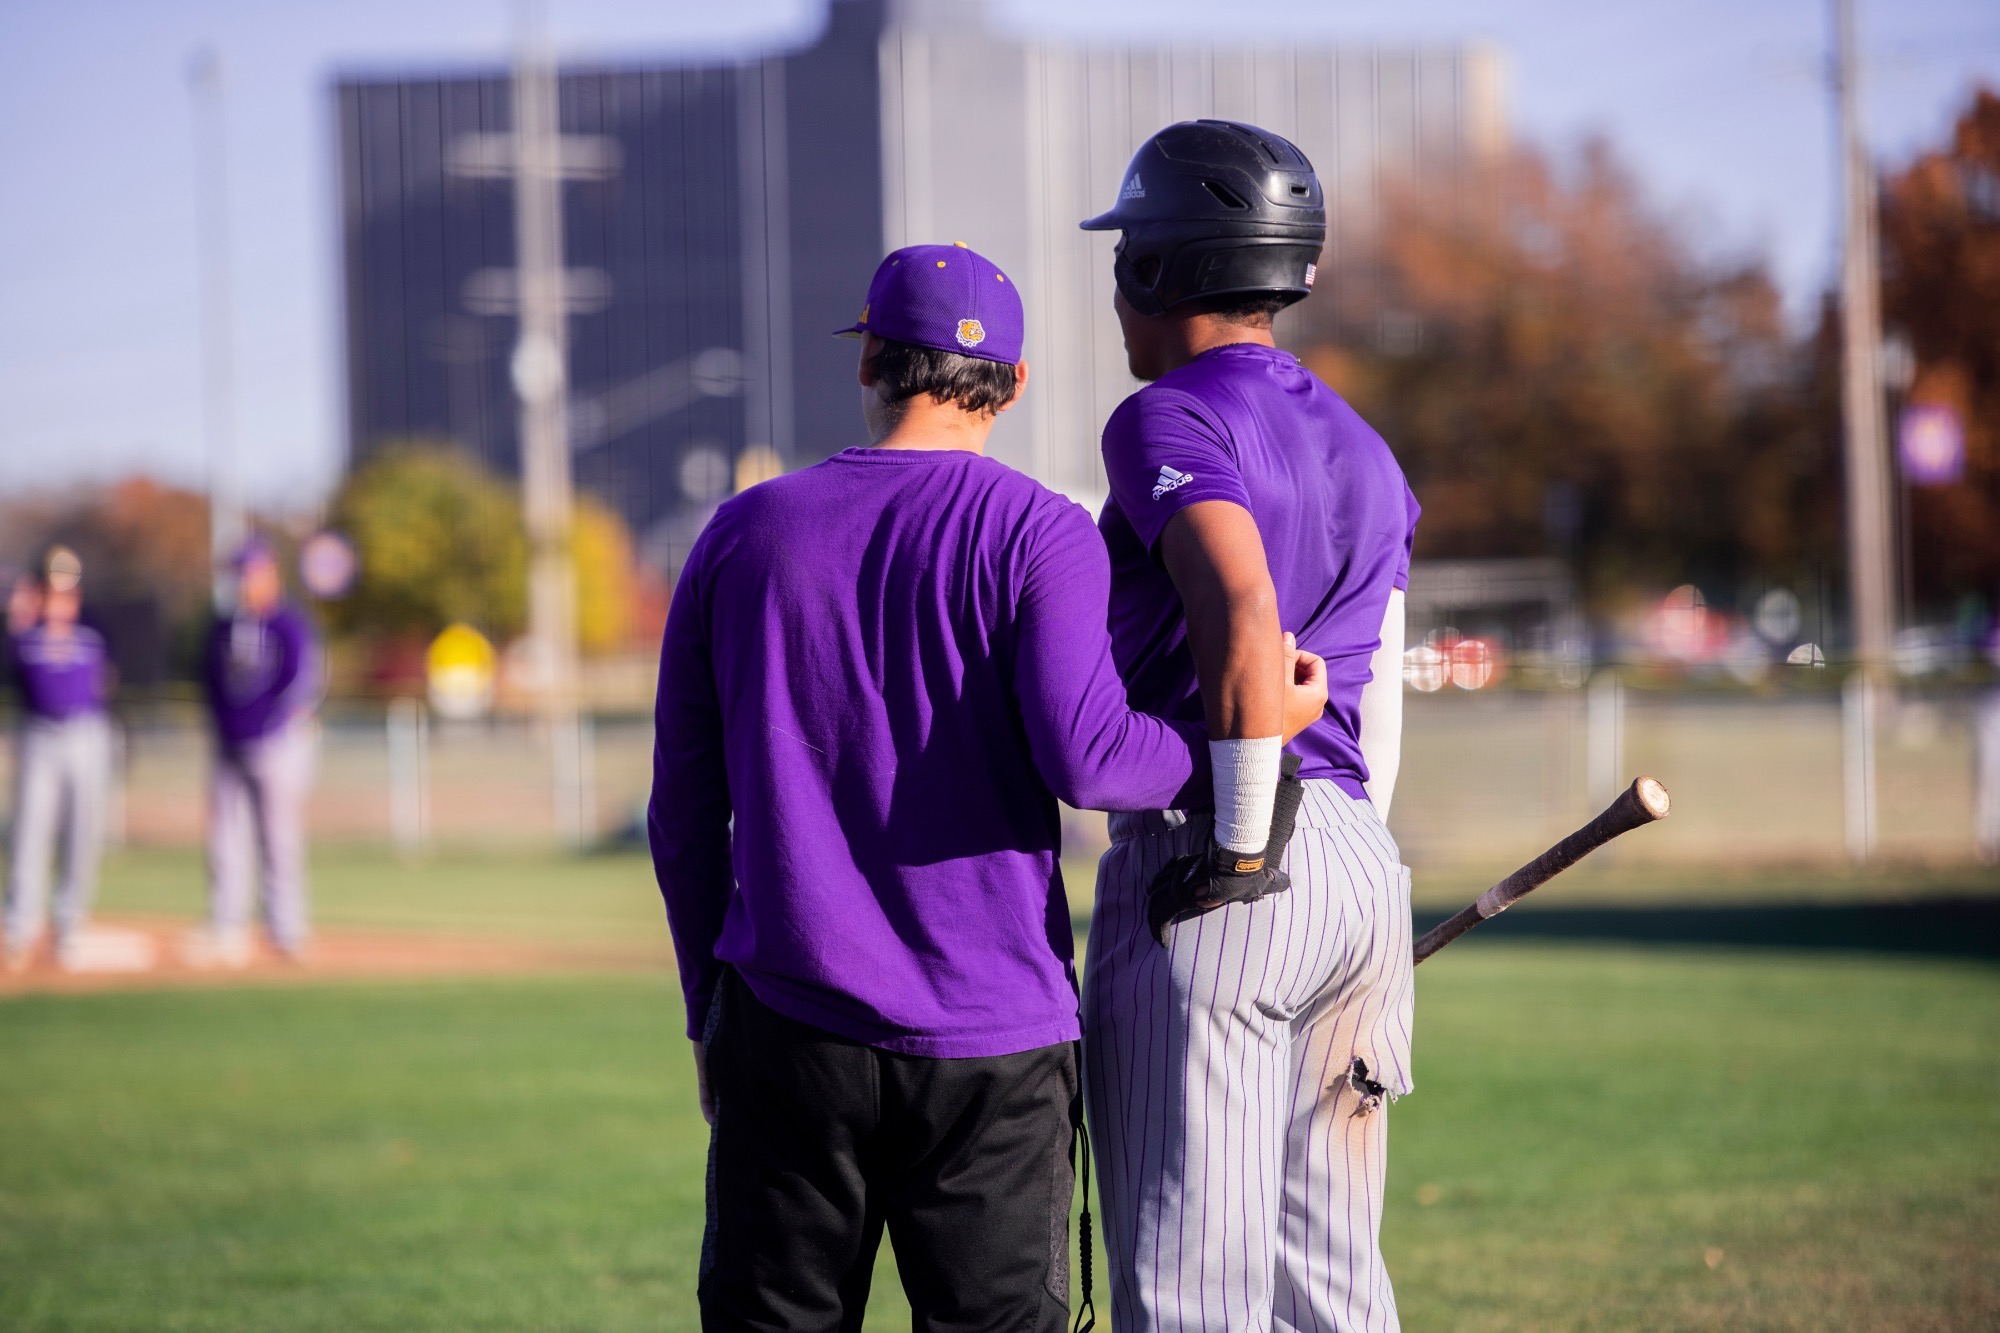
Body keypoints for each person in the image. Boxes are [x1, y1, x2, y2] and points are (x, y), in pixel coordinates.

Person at [649, 241, 1327, 1331]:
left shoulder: (743, 531)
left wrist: (705, 1012)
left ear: (868, 358)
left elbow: (682, 812)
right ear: (1010, 385)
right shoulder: (1041, 529)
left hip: (783, 1024)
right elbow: (1093, 758)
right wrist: (1240, 746)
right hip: (992, 1038)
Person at [1076, 120, 1423, 1332]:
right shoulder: (1370, 450)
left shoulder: (1163, 418)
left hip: (1222, 850)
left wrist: (1236, 847)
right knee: (1334, 1292)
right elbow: (1370, 688)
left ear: (1158, 270)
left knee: (1190, 1298)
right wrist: (1341, 868)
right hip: (1349, 860)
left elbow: (1239, 601)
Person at [189, 536, 321, 966]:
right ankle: (227, 927)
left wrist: (270, 726)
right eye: (240, 573)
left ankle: (287, 930)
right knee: (226, 839)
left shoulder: (288, 624)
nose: (245, 581)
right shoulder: (224, 626)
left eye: (252, 572)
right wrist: (223, 727)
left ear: (270, 574)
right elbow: (209, 681)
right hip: (230, 745)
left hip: (275, 745)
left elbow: (300, 682)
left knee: (278, 839)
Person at [3, 547, 113, 972]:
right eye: (51, 593)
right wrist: (18, 615)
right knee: (30, 831)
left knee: (81, 833)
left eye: (66, 594)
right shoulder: (23, 641)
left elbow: (101, 686)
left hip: (84, 736)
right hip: (39, 738)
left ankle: (69, 925)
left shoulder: (90, 639)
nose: (59, 602)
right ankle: (19, 925)